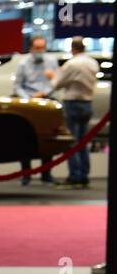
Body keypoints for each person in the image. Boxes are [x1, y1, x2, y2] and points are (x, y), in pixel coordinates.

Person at [51, 37, 100, 188]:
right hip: (87, 103)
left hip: (72, 103)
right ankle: (84, 174)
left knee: (72, 141)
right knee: (84, 141)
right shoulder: (93, 62)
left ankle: (75, 176)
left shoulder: (72, 63)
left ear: (72, 49)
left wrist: (53, 77)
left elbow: (58, 84)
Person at [12, 36, 60, 184]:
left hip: (46, 101)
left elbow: (57, 81)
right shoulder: (23, 63)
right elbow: (17, 85)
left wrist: (45, 93)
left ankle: (46, 173)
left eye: (42, 48)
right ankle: (26, 173)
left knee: (48, 137)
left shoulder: (51, 61)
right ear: (31, 48)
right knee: (25, 138)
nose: (40, 51)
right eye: (37, 48)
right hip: (29, 102)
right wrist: (28, 98)